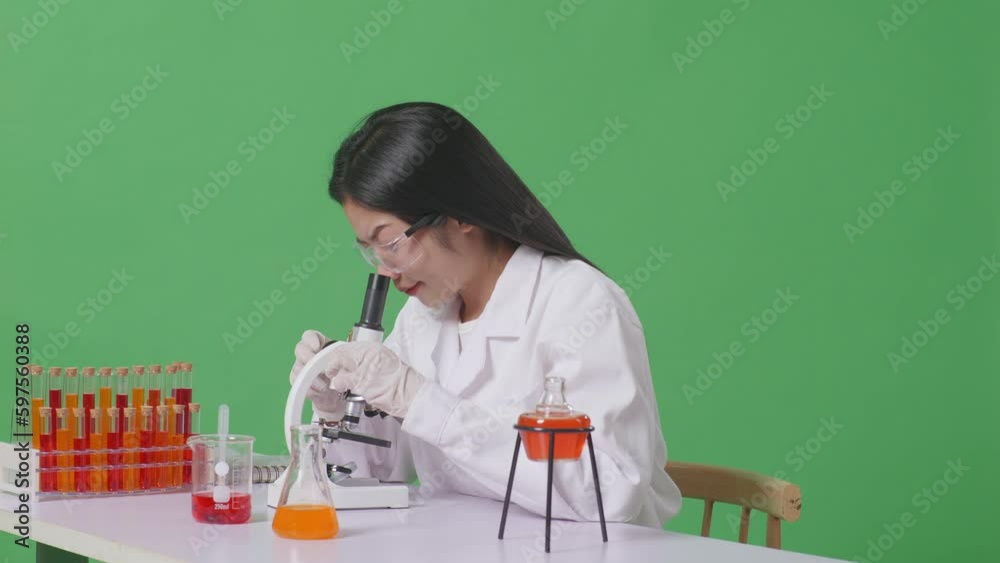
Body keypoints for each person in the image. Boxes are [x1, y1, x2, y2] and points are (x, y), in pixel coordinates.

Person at [289, 102, 681, 528]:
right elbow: (378, 476)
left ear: (460, 215)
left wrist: (422, 401)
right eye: (370, 249)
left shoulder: (580, 303)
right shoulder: (423, 318)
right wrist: (335, 410)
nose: (386, 270)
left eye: (392, 243)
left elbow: (609, 495)